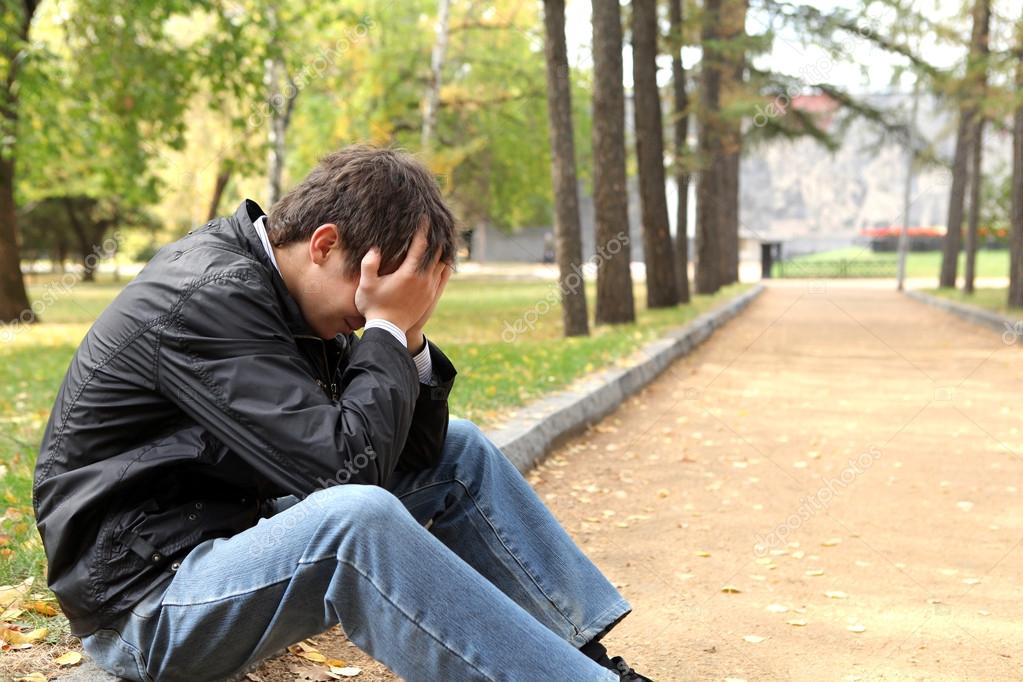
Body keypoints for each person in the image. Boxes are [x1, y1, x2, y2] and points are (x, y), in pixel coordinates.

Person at [33, 145, 653, 681]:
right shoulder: (209, 298)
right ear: (325, 243)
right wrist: (382, 326)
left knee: (458, 452)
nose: (365, 314)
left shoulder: (295, 292)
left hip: (229, 541)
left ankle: (582, 657)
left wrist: (405, 340)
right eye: (369, 293)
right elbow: (346, 476)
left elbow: (403, 457)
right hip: (148, 605)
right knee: (355, 520)